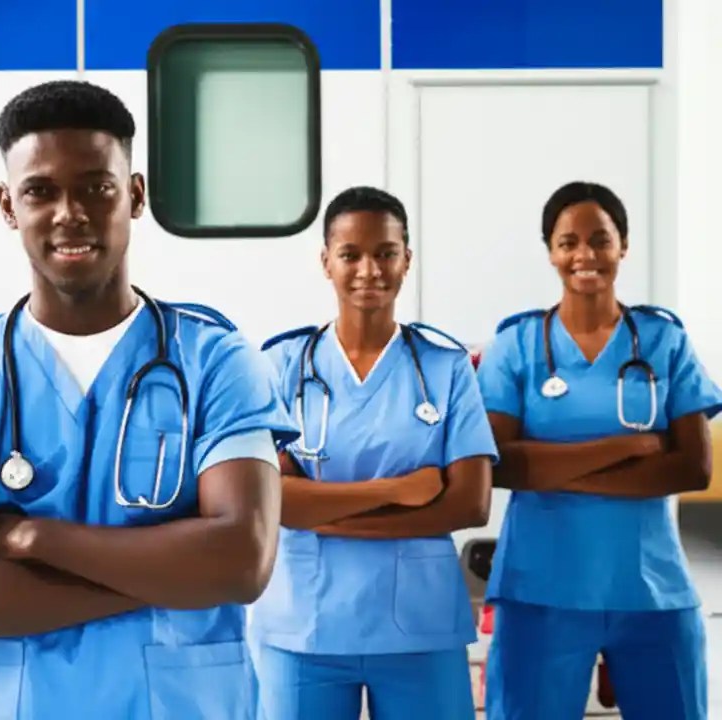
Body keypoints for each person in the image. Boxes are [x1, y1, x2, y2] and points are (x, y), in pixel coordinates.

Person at [0, 79, 298, 719]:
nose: (71, 213)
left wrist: (38, 538)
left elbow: (240, 561)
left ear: (136, 196)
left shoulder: (216, 360)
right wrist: (161, 577)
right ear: (9, 205)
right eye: (41, 191)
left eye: (97, 186)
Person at [476, 180, 721, 720]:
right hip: (540, 591)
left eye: (600, 240)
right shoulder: (515, 346)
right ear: (551, 252)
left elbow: (692, 467)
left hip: (650, 588)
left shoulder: (663, 341)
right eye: (568, 242)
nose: (585, 255)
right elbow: (501, 464)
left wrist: (552, 467)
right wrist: (626, 448)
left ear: (623, 247)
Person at [249, 186, 496, 719]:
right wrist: (399, 491)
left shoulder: (445, 367)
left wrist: (322, 513)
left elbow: (469, 504)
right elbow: (273, 500)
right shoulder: (283, 365)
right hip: (303, 632)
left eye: (386, 253)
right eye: (351, 255)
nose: (370, 269)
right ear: (326, 263)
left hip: (418, 628)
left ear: (407, 260)